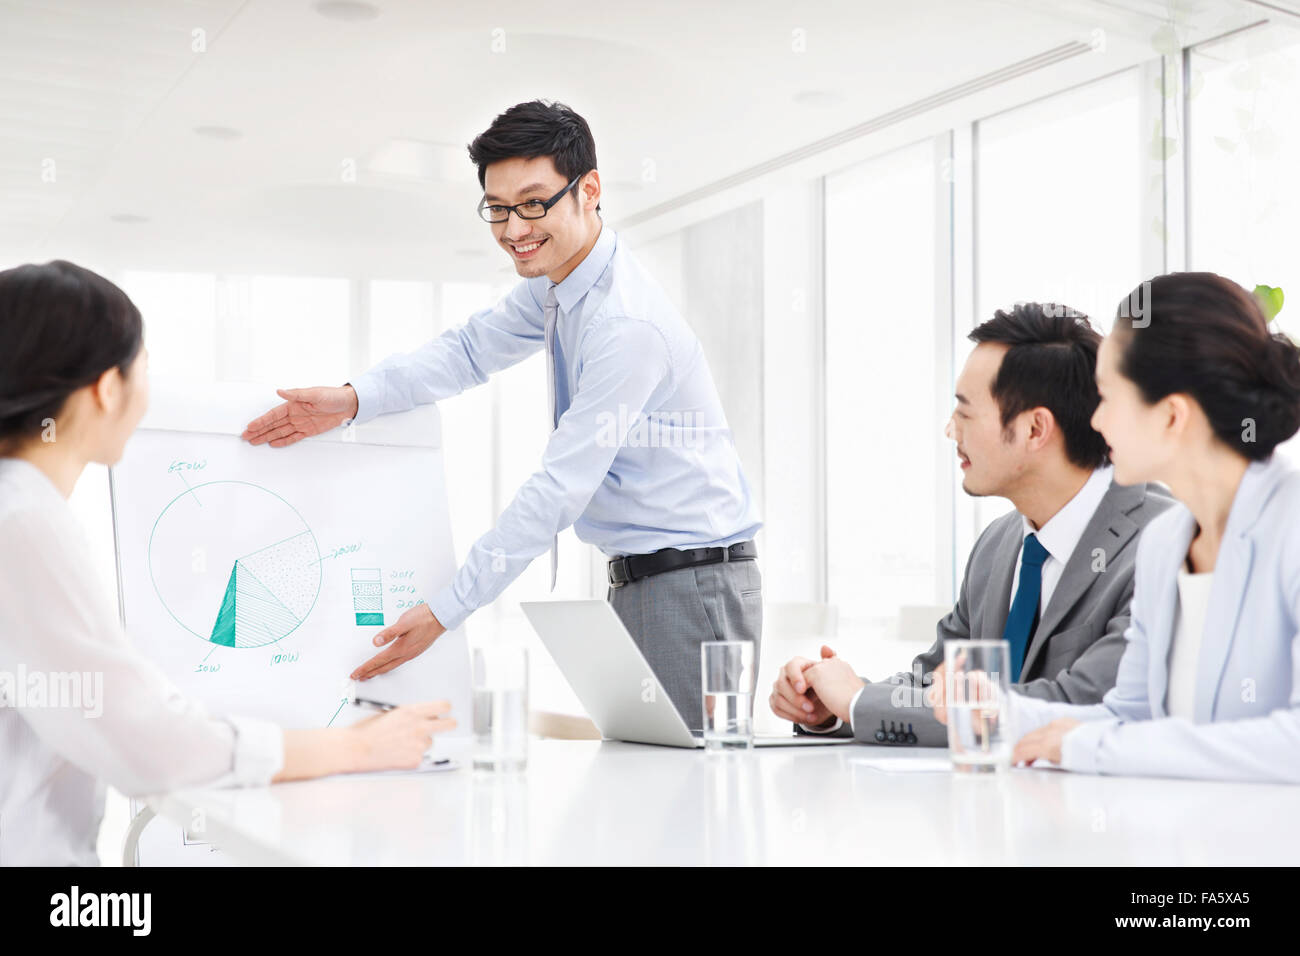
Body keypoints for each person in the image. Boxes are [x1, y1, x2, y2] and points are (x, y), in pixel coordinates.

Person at [241, 100, 762, 733]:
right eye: (498, 207)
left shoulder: (626, 326)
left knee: (686, 804)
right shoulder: (560, 287)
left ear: (589, 189)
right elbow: (466, 351)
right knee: (650, 798)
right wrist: (354, 400)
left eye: (535, 202)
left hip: (692, 587)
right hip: (649, 581)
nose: (515, 228)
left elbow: (558, 489)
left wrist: (446, 610)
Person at [0, 261, 456, 866]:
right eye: (142, 369)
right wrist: (354, 749)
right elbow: (141, 738)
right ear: (106, 388)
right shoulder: (23, 520)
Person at [770, 303, 1171, 745]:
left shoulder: (1160, 542)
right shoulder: (998, 545)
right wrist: (833, 710)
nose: (950, 430)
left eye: (965, 414)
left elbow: (1081, 703)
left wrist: (860, 702)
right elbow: (935, 684)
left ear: (1035, 429)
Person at [978, 274, 1300, 783]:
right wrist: (1001, 713)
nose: (1096, 421)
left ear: (1172, 416)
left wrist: (1092, 747)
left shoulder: (1292, 525)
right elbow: (1131, 716)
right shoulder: (1164, 543)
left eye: (1106, 396)